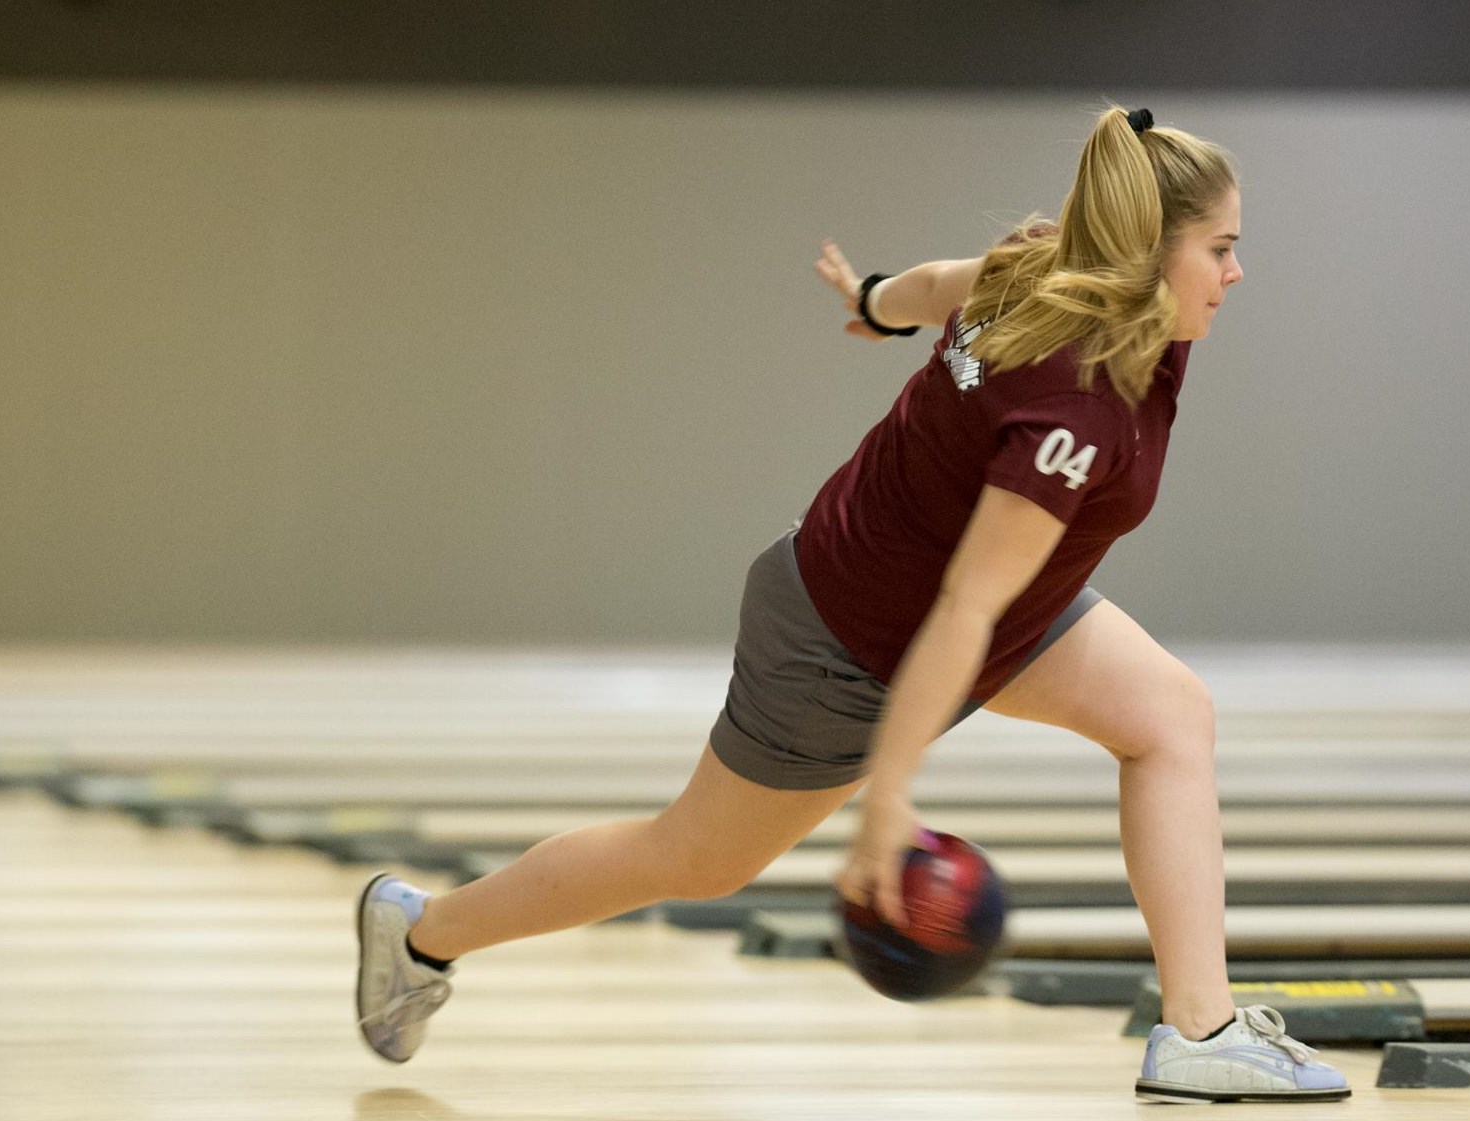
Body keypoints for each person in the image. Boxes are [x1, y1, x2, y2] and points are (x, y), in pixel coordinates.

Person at [354, 104, 1350, 1105]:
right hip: (845, 644)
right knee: (694, 857)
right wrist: (890, 798)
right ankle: (423, 927)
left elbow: (931, 290)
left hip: (971, 605)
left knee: (1170, 714)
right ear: (1148, 253)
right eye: (1220, 248)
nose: (1235, 273)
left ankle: (1200, 1029)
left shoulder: (1051, 272)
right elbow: (961, 607)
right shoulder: (1078, 405)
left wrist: (876, 301)